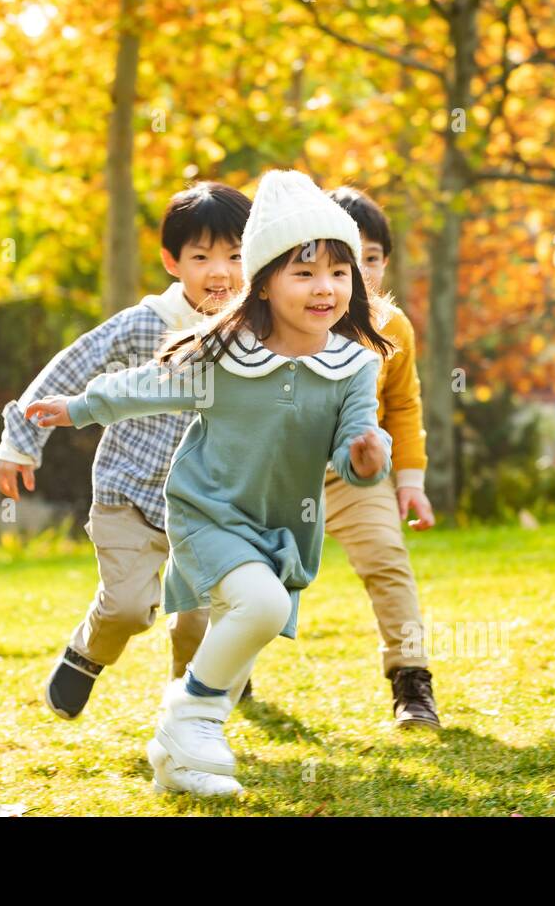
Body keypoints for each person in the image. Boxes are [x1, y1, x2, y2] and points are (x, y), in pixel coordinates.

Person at [25, 170, 393, 795]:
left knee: (248, 625)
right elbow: (150, 385)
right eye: (303, 273)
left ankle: (178, 760)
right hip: (205, 513)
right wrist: (78, 407)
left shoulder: (352, 364)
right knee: (264, 606)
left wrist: (367, 452)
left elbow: (357, 447)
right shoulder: (230, 353)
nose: (324, 287)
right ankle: (189, 719)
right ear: (266, 283)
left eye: (339, 272)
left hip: (278, 528)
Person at [171, 185, 442, 727]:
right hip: (265, 473)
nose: (357, 272)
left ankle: (411, 679)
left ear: (384, 264)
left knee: (388, 560)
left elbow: (403, 405)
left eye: (370, 259)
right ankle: (199, 684)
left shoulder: (390, 329)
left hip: (351, 473)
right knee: (220, 580)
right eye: (341, 257)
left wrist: (408, 478)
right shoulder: (272, 319)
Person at [0, 182, 250, 719]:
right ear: (172, 262)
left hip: (208, 507)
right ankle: (87, 653)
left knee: (200, 619)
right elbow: (73, 366)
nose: (220, 272)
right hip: (128, 495)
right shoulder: (145, 324)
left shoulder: (258, 335)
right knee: (130, 609)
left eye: (235, 255)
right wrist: (20, 440)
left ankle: (193, 707)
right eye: (201, 257)